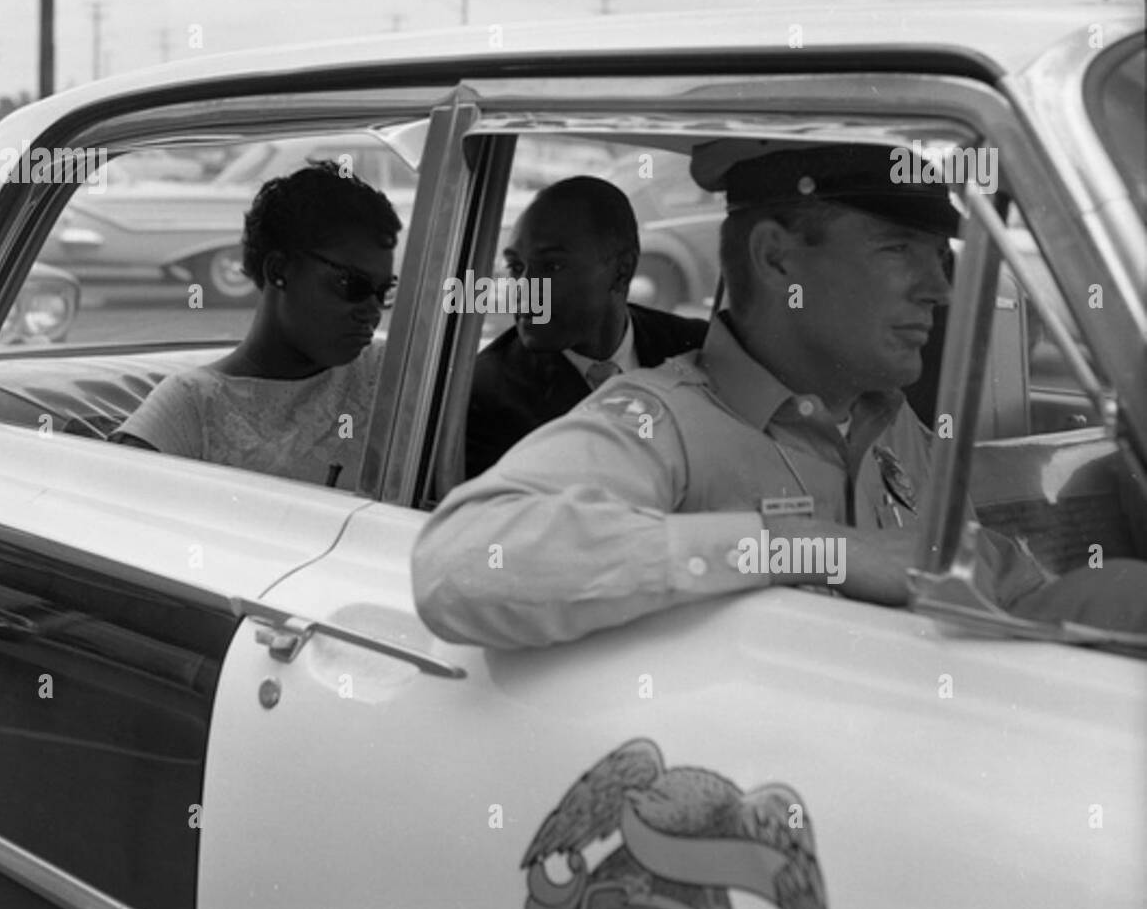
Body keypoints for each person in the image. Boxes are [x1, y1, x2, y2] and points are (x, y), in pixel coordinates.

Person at [413, 141, 1146, 648]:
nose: (940, 286)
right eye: (898, 250)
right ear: (775, 258)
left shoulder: (892, 425)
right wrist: (819, 550)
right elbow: (461, 563)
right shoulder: (659, 421)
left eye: (938, 256)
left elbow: (1003, 592)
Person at [113, 160, 399, 488]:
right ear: (280, 270)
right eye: (353, 286)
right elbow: (118, 514)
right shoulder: (192, 407)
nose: (373, 311)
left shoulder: (386, 372)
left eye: (382, 292)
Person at [466, 176, 708, 476]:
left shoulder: (698, 350)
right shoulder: (485, 396)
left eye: (552, 267)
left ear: (622, 271)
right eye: (517, 268)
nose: (524, 291)